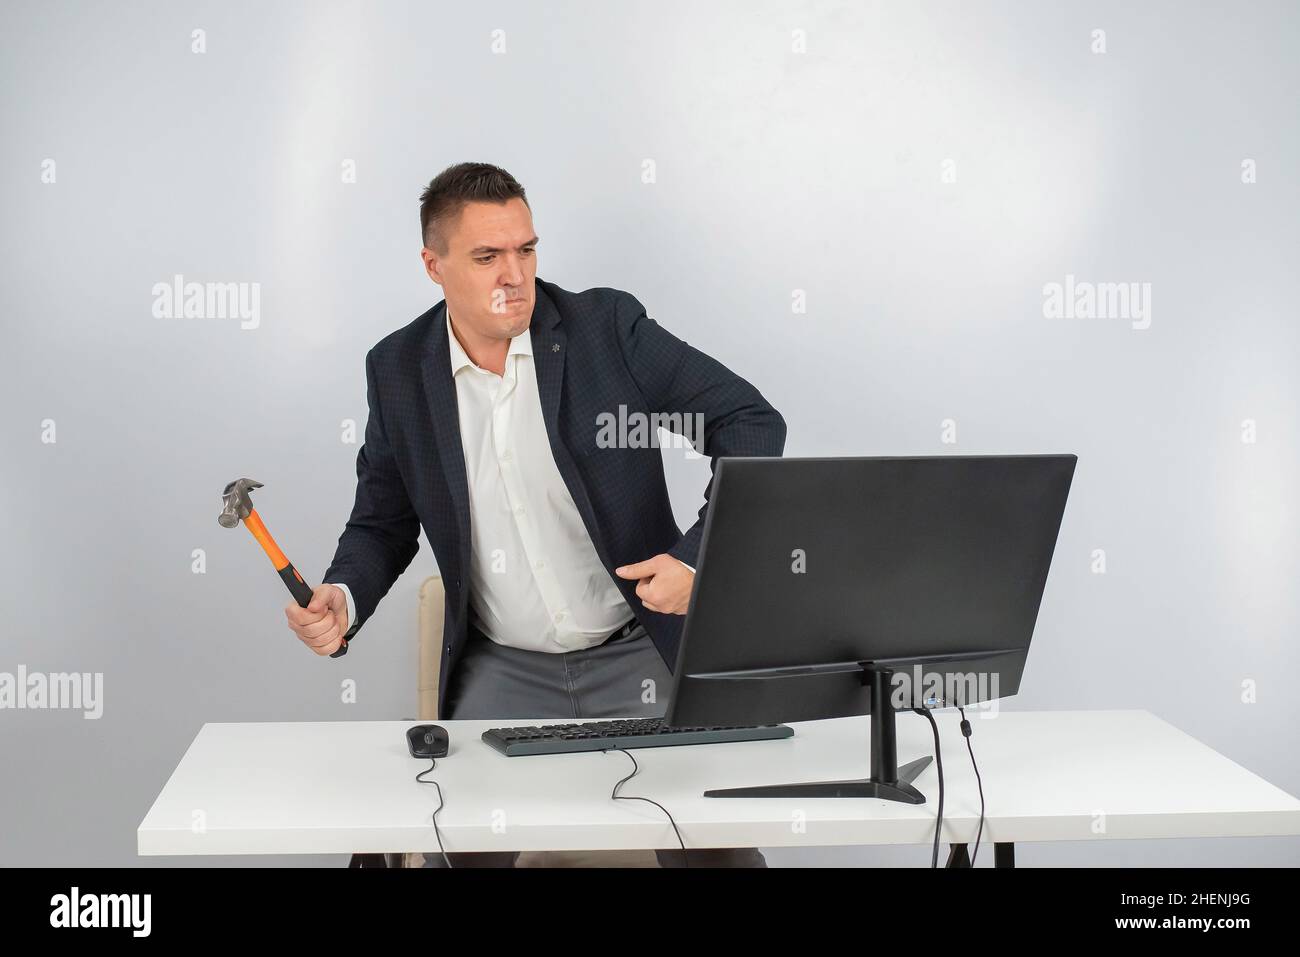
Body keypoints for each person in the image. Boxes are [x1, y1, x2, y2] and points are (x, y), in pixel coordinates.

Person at [284, 162, 786, 867]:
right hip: (503, 669)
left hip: (636, 647)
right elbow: (382, 521)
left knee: (715, 851)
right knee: (457, 844)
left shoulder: (605, 331)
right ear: (434, 266)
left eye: (526, 249)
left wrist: (696, 557)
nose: (514, 274)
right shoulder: (398, 368)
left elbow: (751, 422)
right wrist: (344, 594)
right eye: (488, 256)